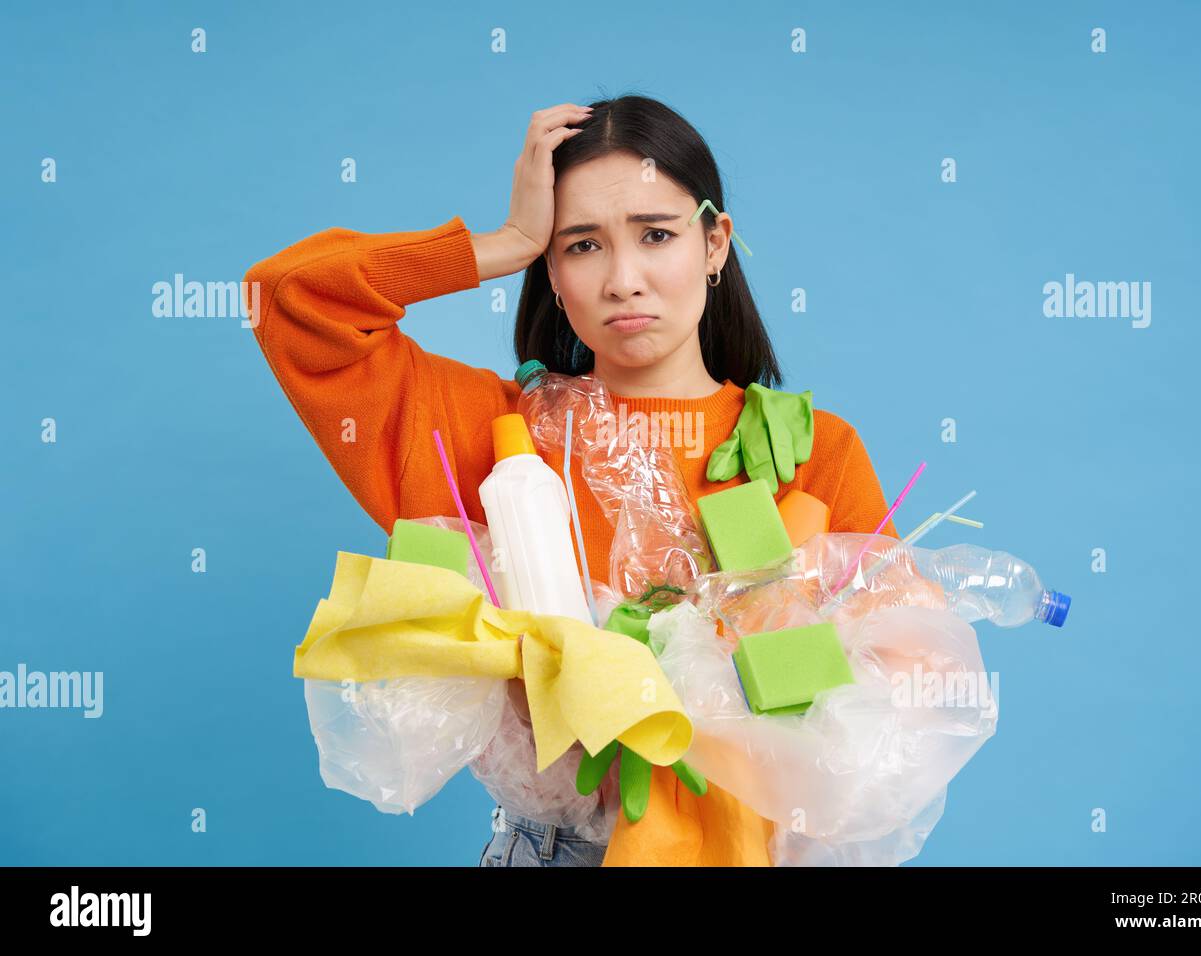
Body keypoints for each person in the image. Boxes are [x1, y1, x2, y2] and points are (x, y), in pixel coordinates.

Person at [245, 94, 899, 866]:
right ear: (550, 271)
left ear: (716, 243)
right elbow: (288, 297)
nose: (624, 279)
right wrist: (500, 242)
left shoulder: (810, 454)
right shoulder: (492, 438)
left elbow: (896, 677)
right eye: (581, 245)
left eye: (657, 234)